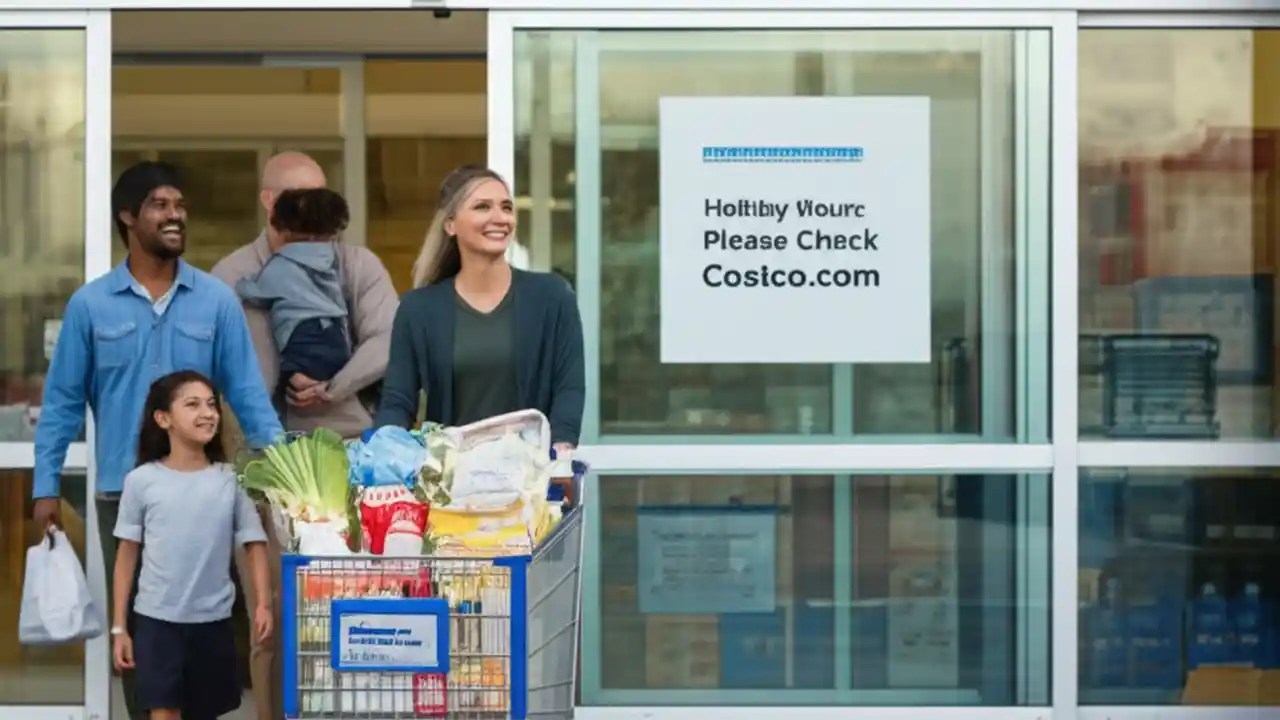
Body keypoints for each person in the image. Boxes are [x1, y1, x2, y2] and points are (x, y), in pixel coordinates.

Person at [32, 161, 283, 720]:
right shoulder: (90, 306)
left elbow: (245, 391)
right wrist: (44, 485)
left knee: (204, 622)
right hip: (125, 493)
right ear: (128, 217)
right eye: (160, 205)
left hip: (204, 494)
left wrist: (286, 470)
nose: (175, 215)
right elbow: (62, 405)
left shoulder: (215, 301)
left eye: (180, 206)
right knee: (144, 632)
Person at [211, 152, 397, 720]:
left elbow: (389, 338)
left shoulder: (357, 264)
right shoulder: (229, 276)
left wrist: (333, 386)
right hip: (263, 469)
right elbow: (217, 370)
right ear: (270, 202)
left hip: (348, 459)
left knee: (356, 610)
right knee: (271, 616)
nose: (312, 207)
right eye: (298, 195)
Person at [373, 164, 585, 451]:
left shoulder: (552, 295)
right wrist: (385, 454)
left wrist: (562, 450)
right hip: (453, 484)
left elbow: (568, 388)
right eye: (482, 207)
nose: (500, 218)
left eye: (507, 207)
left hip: (531, 482)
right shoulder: (418, 309)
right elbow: (397, 402)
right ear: (451, 224)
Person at [111, 370, 272, 720]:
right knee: (163, 712)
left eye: (212, 404)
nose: (208, 413)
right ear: (163, 418)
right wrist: (119, 627)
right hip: (156, 623)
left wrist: (263, 606)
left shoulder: (230, 480)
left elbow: (254, 543)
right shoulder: (141, 481)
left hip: (213, 623)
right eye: (193, 404)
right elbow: (126, 555)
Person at [235, 187, 353, 395]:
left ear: (284, 227)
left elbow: (257, 294)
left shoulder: (282, 264)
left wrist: (242, 283)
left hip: (303, 335)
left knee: (288, 383)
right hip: (336, 334)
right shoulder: (332, 258)